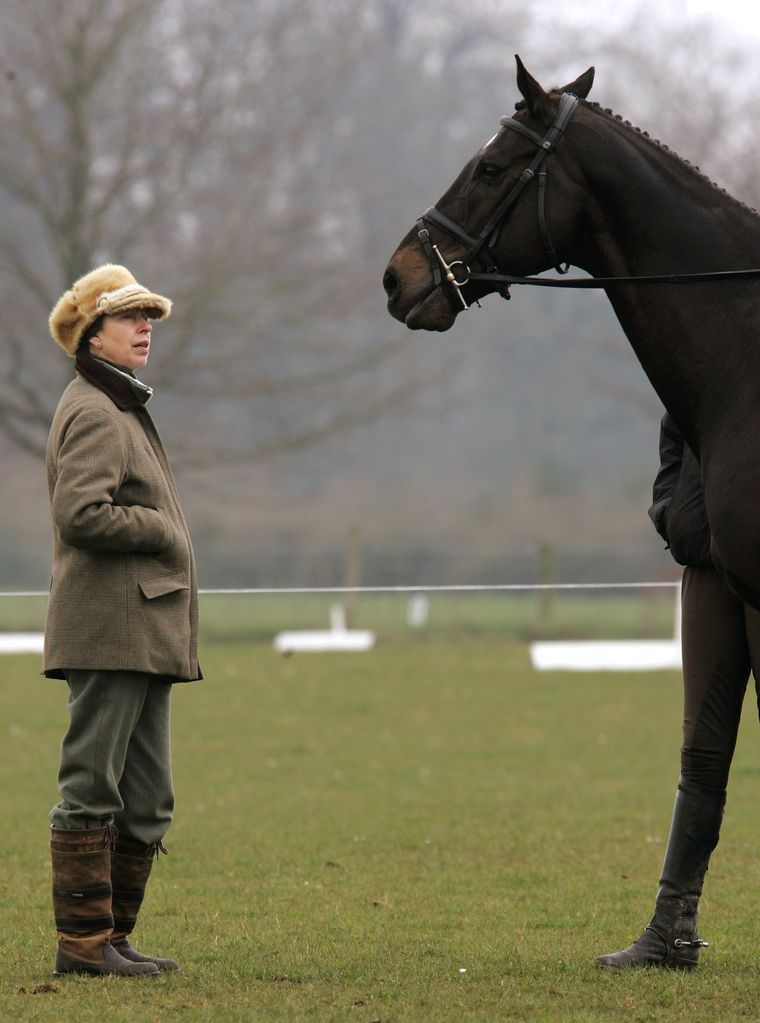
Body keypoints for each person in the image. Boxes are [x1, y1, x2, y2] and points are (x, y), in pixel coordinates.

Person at [44, 263, 202, 977]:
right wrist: (161, 530)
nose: (144, 327)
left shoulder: (123, 404)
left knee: (148, 798)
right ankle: (82, 946)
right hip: (109, 631)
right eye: (129, 316)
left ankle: (112, 937)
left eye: (148, 316)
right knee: (92, 784)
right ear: (90, 334)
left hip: (144, 633)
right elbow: (81, 514)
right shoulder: (92, 409)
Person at [596, 411, 760, 970]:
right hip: (709, 571)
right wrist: (672, 513)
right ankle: (672, 933)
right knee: (701, 755)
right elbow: (675, 436)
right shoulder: (706, 360)